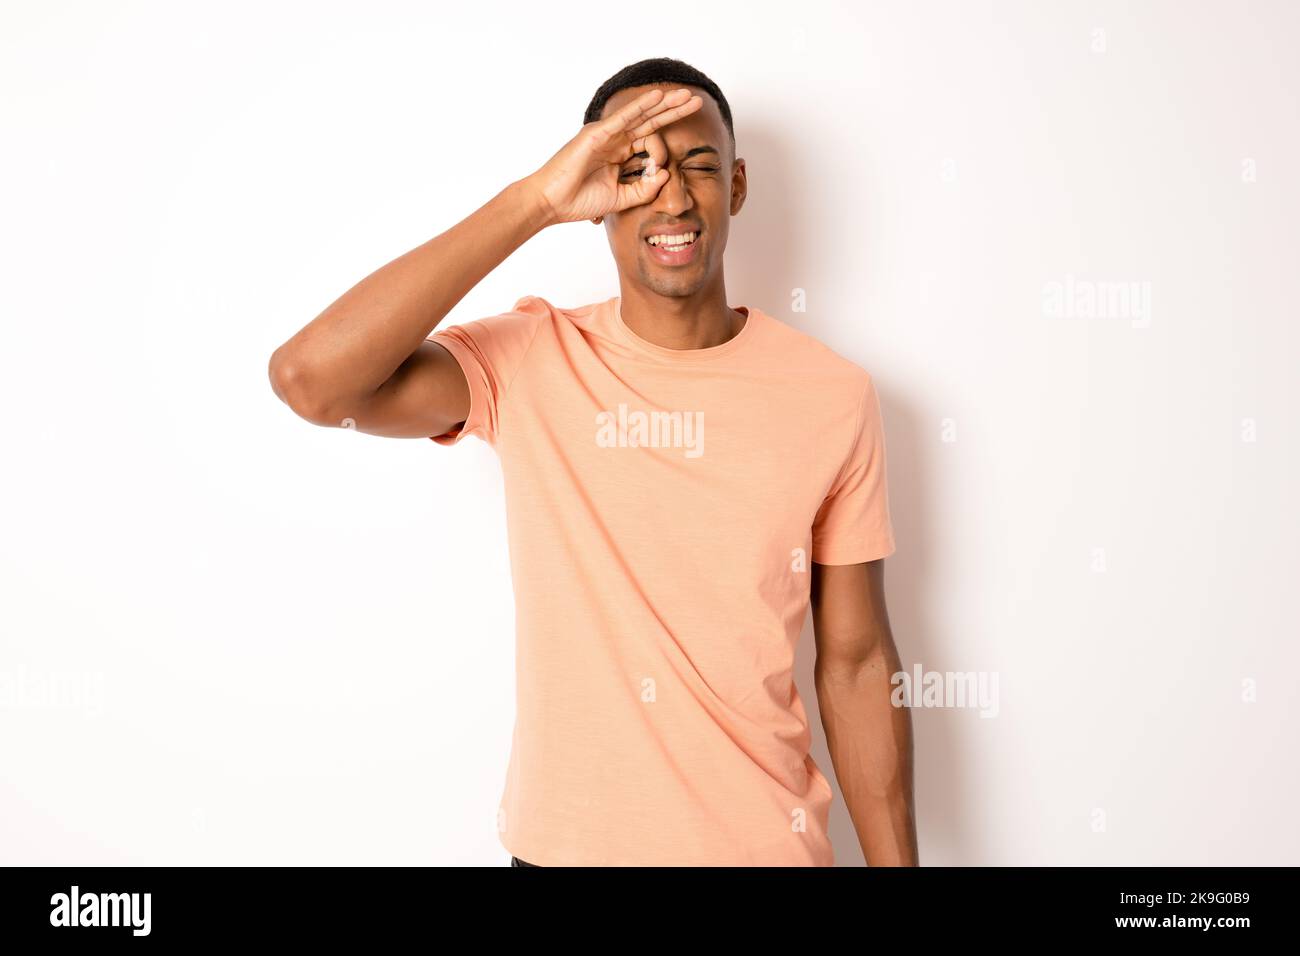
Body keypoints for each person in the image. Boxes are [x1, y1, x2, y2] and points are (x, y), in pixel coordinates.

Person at [268, 57, 918, 867]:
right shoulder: (531, 359)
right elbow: (311, 382)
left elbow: (855, 664)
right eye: (635, 173)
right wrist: (535, 201)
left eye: (700, 168)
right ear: (594, 194)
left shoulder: (833, 395)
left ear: (740, 186)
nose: (673, 198)